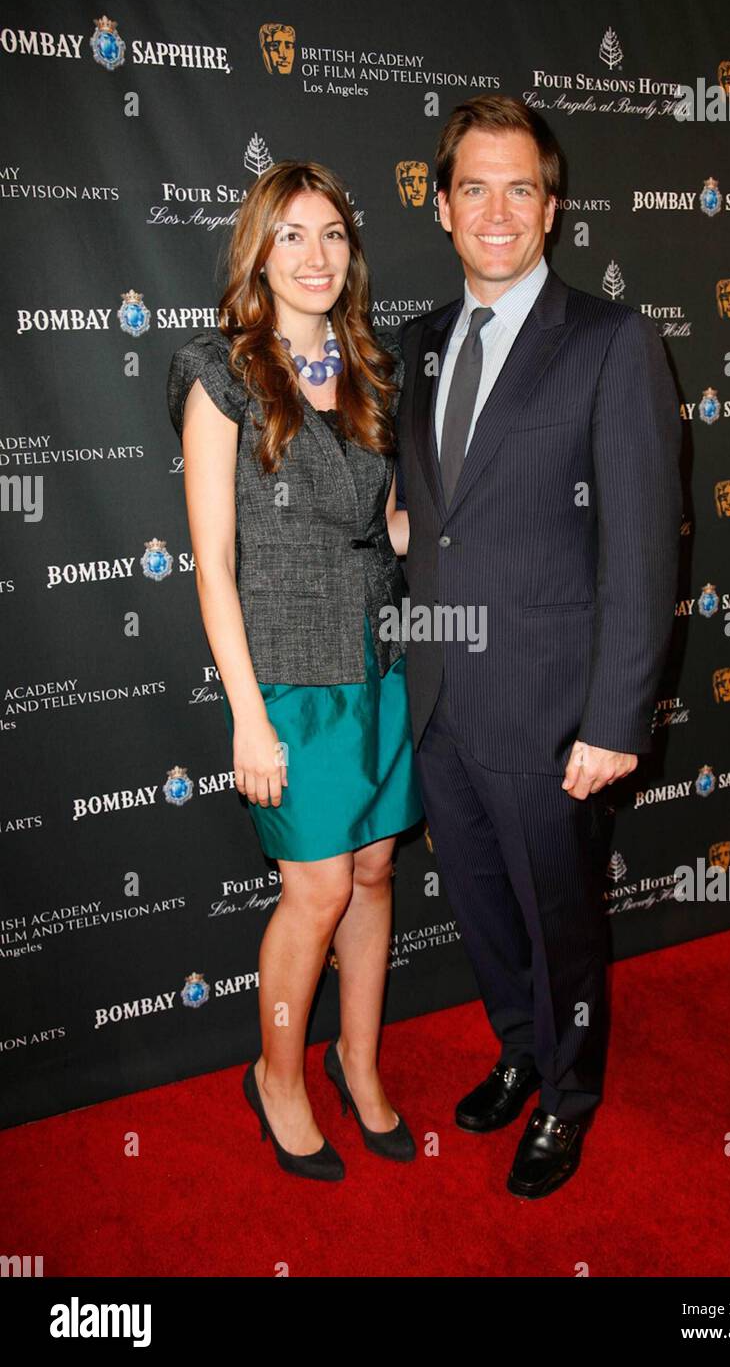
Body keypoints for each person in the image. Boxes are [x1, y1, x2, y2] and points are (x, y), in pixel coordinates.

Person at [396, 95, 682, 1199]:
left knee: (561, 925)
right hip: (439, 700)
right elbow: (435, 512)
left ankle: (567, 1095)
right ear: (441, 204)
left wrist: (615, 721)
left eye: (522, 188)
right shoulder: (418, 344)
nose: (499, 209)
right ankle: (518, 1044)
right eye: (476, 185)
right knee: (479, 905)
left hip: (552, 709)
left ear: (551, 209)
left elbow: (643, 548)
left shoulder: (612, 343)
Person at [166, 161, 424, 1181]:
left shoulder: (372, 372)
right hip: (283, 677)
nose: (315, 256)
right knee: (314, 887)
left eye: (331, 235)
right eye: (291, 237)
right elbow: (214, 561)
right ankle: (277, 1074)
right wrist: (245, 717)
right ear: (258, 254)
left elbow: (388, 528)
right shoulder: (221, 374)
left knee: (372, 871)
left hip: (379, 658)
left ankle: (357, 1064)